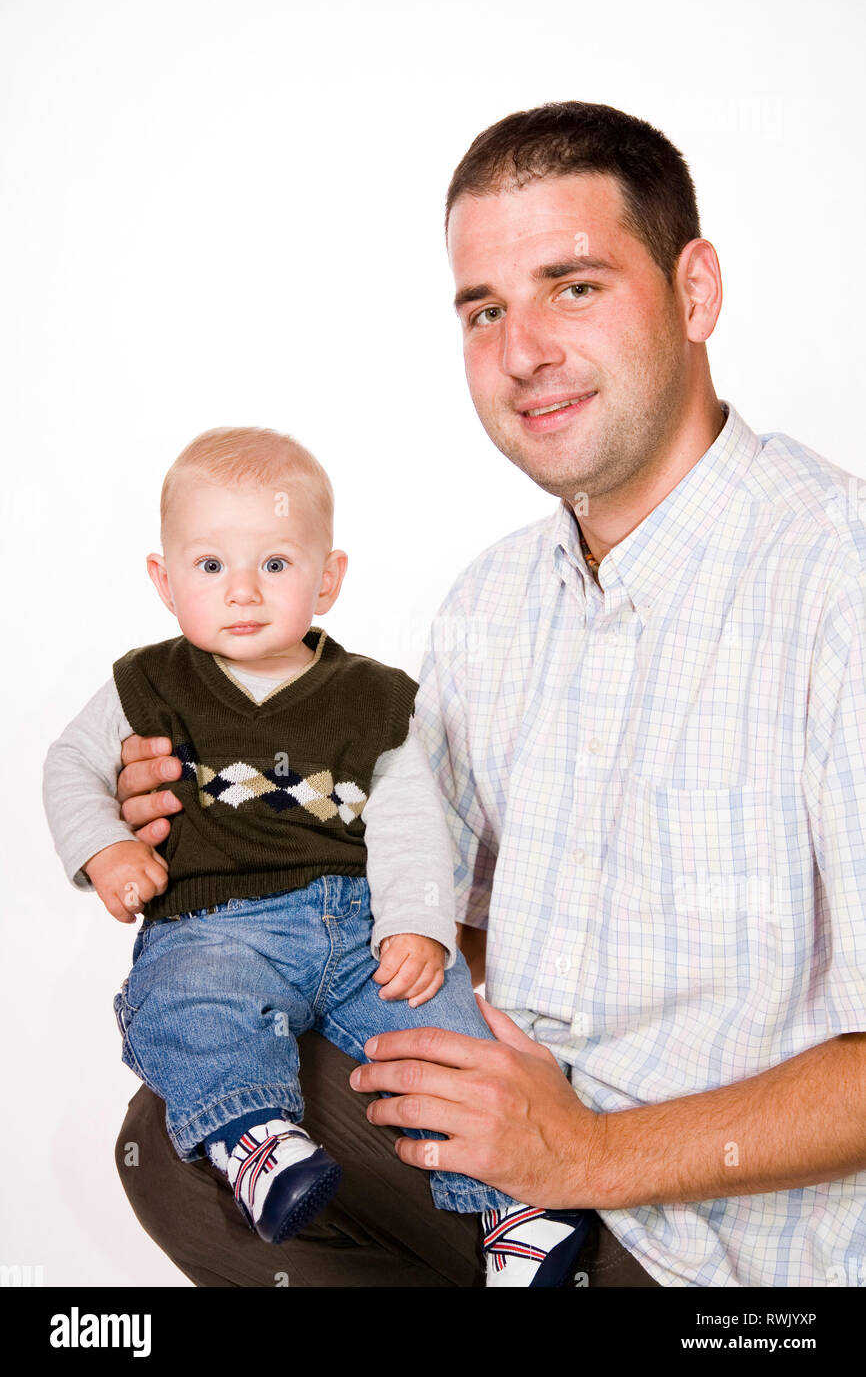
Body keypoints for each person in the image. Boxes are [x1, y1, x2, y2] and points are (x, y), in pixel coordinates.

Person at [111, 101, 866, 1288]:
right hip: (522, 1196)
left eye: (572, 287)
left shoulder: (838, 583)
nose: (522, 351)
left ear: (695, 292)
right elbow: (426, 921)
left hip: (743, 1260)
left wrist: (592, 1153)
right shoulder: (487, 609)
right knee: (185, 1133)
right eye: (483, 310)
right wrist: (218, 807)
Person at [42, 424, 590, 1286]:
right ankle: (257, 1141)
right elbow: (70, 765)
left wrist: (415, 925)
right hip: (216, 923)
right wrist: (106, 848)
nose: (244, 592)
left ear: (328, 578)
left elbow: (411, 821)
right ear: (164, 580)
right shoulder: (147, 684)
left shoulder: (372, 698)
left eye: (276, 564)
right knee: (189, 1003)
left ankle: (512, 1209)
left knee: (440, 1035)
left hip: (357, 923)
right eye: (211, 566)